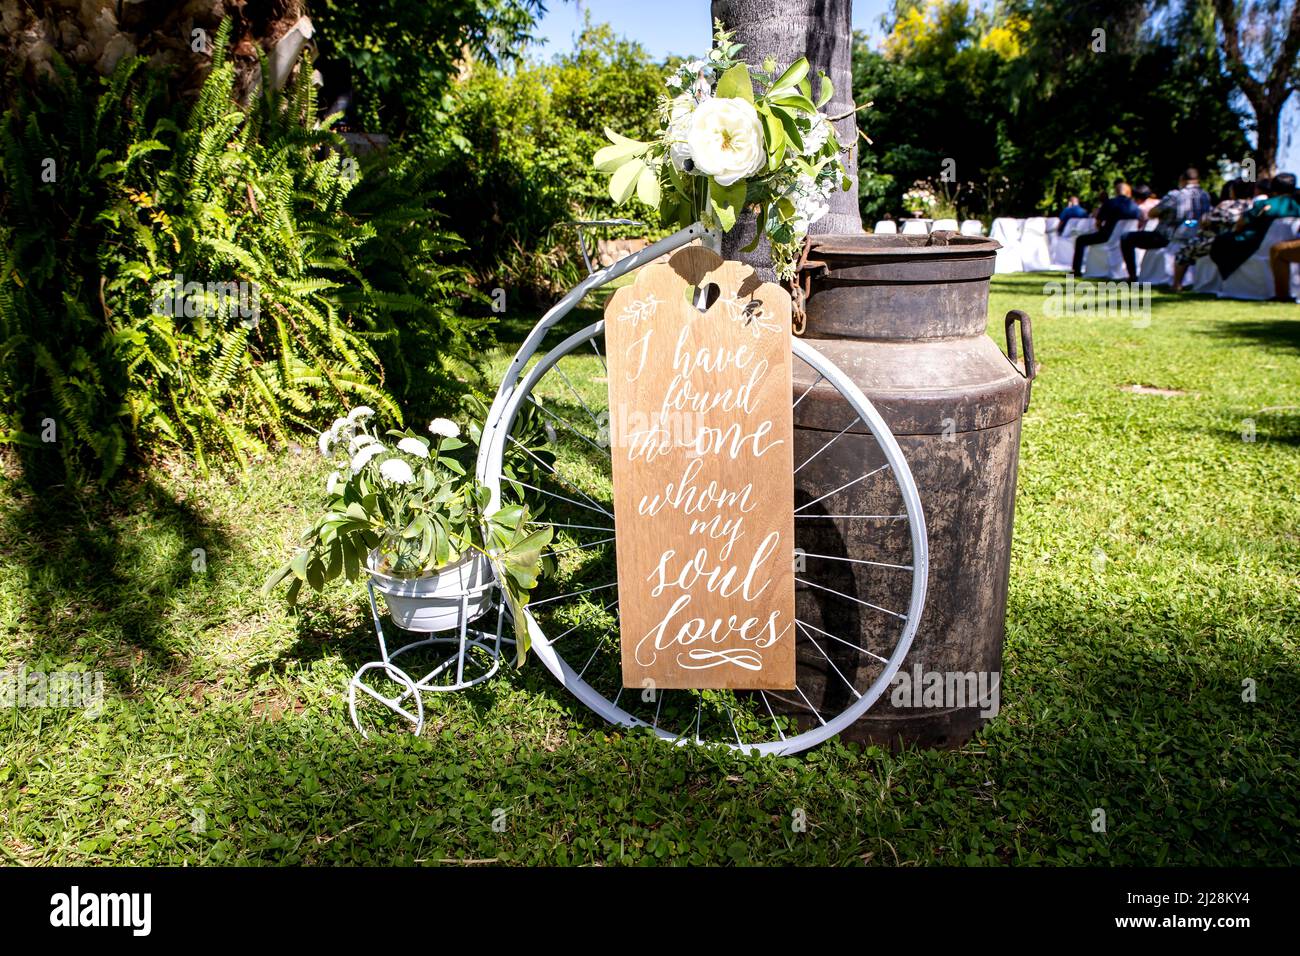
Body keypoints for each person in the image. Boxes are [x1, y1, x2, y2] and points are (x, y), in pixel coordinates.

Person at [1121, 168, 1213, 281]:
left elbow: (1152, 213)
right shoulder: (1205, 196)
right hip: (1195, 236)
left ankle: (1132, 276)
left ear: (1182, 180)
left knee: (1126, 237)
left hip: (1167, 238)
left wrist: (1163, 215)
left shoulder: (1176, 195)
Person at [1211, 171, 1300, 283]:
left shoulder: (1263, 204)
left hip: (1254, 244)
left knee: (1220, 242)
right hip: (1287, 244)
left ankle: (1223, 280)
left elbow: (1240, 224)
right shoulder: (1297, 207)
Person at [1170, 178, 1254, 292]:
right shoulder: (1253, 205)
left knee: (1183, 252)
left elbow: (1205, 221)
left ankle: (1177, 284)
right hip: (1243, 241)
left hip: (1217, 242)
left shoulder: (1226, 204)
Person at [1072, 181, 1140, 275]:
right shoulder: (1135, 206)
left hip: (1107, 237)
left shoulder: (1110, 203)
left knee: (1080, 240)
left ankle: (1076, 270)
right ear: (1128, 192)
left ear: (1116, 191)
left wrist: (1101, 229)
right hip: (1127, 239)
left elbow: (1098, 223)